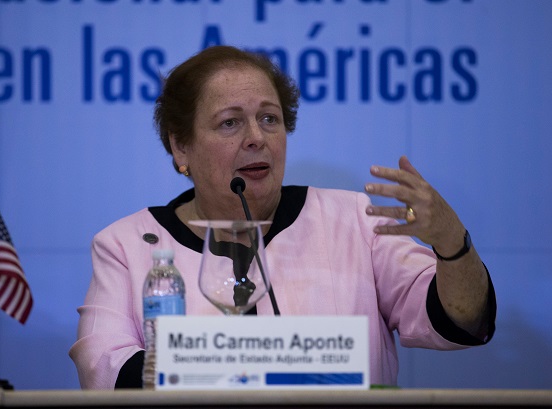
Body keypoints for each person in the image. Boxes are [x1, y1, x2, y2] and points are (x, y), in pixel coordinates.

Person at [69, 45, 496, 389]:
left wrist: (451, 242)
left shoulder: (355, 222)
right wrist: (281, 359)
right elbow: (105, 369)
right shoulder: (126, 244)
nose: (257, 138)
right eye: (230, 123)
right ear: (181, 147)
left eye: (269, 119)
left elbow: (461, 319)